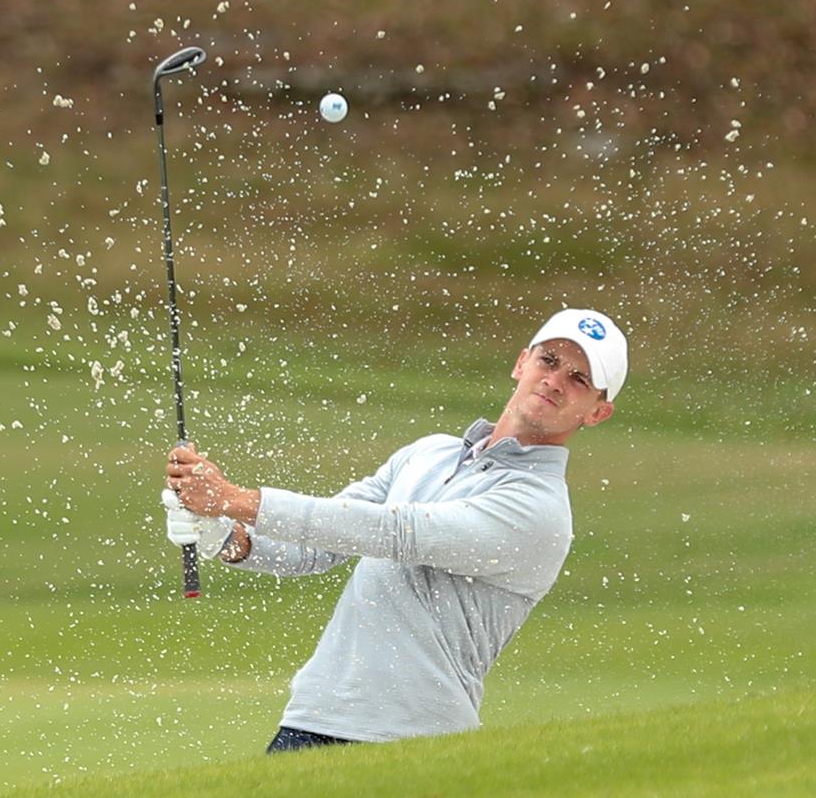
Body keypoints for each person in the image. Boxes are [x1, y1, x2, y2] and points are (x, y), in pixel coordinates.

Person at [162, 308, 628, 752]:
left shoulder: (539, 508)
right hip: (314, 716)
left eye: (579, 379)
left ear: (596, 413)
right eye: (549, 360)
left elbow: (396, 534)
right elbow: (318, 548)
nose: (554, 380)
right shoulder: (430, 453)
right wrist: (222, 534)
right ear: (522, 362)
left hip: (413, 735)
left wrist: (236, 499)